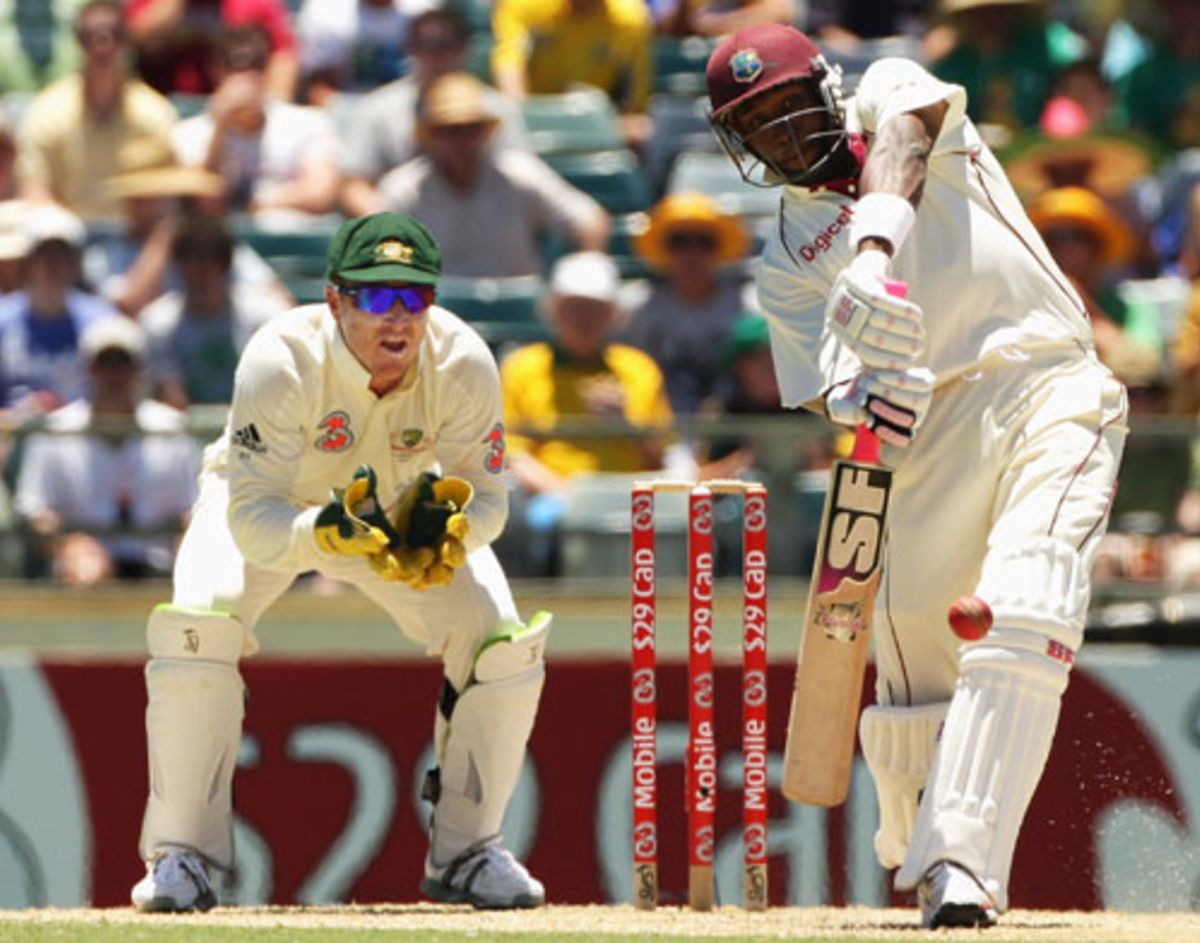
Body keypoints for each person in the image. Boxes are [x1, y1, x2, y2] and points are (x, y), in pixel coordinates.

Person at [705, 23, 1126, 928]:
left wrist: (870, 254)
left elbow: (903, 143)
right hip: (928, 438)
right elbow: (829, 391)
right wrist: (864, 395)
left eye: (787, 105)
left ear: (825, 87)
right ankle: (920, 846)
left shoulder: (890, 89)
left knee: (1027, 600)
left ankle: (961, 862)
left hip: (1043, 380)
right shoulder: (786, 260)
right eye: (757, 125)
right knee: (921, 675)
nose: (782, 133)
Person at [128, 211, 549, 913]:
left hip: (396, 508)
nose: (399, 316)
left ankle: (470, 851)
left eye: (415, 296)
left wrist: (447, 534)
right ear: (335, 300)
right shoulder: (280, 357)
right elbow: (251, 518)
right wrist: (323, 533)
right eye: (377, 296)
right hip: (276, 504)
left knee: (501, 641)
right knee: (197, 625)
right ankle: (182, 856)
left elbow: (490, 498)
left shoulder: (464, 360)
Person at [499, 251, 688, 574]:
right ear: (554, 310)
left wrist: (626, 424)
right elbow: (513, 457)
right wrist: (570, 494)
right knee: (535, 521)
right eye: (574, 308)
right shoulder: (522, 367)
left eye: (595, 309)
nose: (583, 319)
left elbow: (664, 457)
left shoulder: (638, 368)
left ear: (613, 314)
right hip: (554, 497)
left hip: (634, 495)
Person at [13, 315, 201, 585]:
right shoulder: (55, 431)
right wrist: (68, 544)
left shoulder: (172, 428)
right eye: (105, 363)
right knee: (86, 572)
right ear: (88, 368)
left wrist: (189, 554)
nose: (115, 374)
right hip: (83, 572)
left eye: (124, 363)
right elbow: (35, 510)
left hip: (159, 563)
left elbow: (193, 509)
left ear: (140, 369)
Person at [378, 72, 609, 278]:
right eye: (449, 132)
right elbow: (376, 251)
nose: (461, 141)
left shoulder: (520, 174)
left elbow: (589, 219)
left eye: (471, 129)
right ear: (432, 137)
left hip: (517, 305)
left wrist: (586, 267)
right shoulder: (403, 189)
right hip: (434, 308)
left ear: (483, 133)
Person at [339, 8, 528, 218]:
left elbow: (520, 176)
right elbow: (353, 185)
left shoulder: (498, 109)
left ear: (465, 48)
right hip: (401, 221)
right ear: (410, 50)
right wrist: (395, 227)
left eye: (446, 45)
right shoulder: (377, 109)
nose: (437, 57)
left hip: (484, 221)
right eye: (426, 46)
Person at [15, 0, 179, 221]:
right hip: (66, 233)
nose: (102, 44)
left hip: (137, 233)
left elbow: (170, 198)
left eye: (114, 34)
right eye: (90, 36)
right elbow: (34, 192)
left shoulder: (156, 113)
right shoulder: (47, 112)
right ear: (77, 44)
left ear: (127, 42)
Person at [171, 25, 340, 223]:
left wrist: (255, 203)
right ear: (215, 72)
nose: (247, 82)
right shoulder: (189, 133)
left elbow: (320, 194)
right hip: (221, 238)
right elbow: (200, 204)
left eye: (256, 67)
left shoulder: (309, 123)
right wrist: (220, 127)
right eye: (234, 68)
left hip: (290, 234)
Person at [617, 191, 753, 414]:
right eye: (678, 242)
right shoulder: (636, 308)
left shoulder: (749, 307)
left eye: (704, 242)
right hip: (655, 421)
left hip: (734, 424)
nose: (692, 254)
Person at [139, 214, 290, 407]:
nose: (202, 278)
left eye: (210, 267)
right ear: (179, 268)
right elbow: (172, 397)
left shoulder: (263, 319)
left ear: (225, 268)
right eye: (192, 268)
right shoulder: (157, 324)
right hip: (184, 423)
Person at [0, 204, 116, 420]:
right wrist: (18, 415)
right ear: (29, 263)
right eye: (45, 257)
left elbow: (119, 400)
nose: (54, 266)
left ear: (76, 264)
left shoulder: (101, 321)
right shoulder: (3, 320)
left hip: (82, 435)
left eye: (62, 257)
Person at [490, 0, 655, 149]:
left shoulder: (632, 17)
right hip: (532, 124)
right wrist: (526, 118)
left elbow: (635, 108)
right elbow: (509, 70)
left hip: (596, 128)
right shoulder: (523, 4)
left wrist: (594, 124)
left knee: (645, 130)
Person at [125, 0, 299, 101]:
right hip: (168, 105)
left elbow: (283, 56)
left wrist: (274, 105)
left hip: (237, 106)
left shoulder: (254, 4)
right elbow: (136, 42)